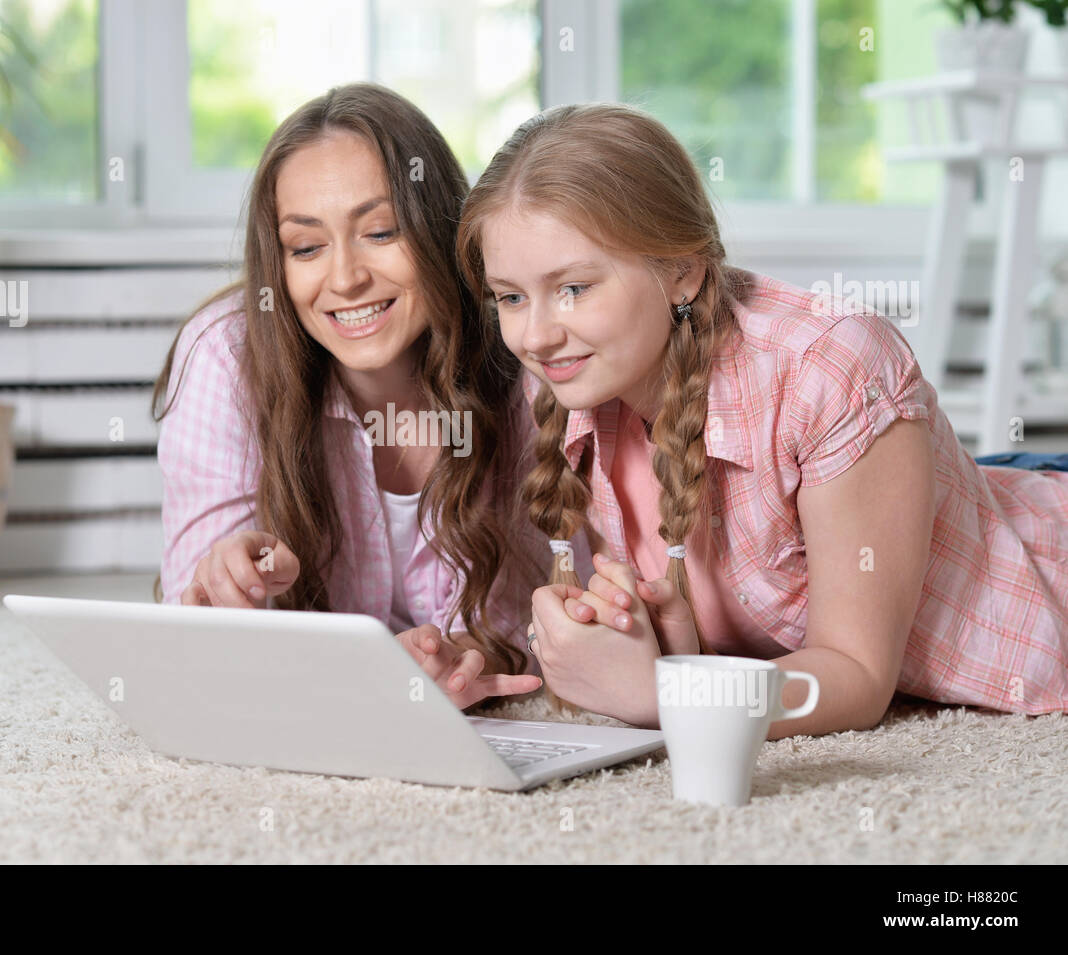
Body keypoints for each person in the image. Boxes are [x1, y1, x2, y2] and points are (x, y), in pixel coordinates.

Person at [455, 102, 1068, 736]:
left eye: (574, 288)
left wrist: (669, 697)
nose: (535, 335)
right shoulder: (571, 383)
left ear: (681, 273)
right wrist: (662, 643)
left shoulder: (831, 366)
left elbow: (856, 675)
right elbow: (742, 644)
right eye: (511, 297)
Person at [152, 83, 567, 710]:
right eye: (307, 247)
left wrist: (465, 656)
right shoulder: (227, 353)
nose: (345, 279)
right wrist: (228, 580)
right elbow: (192, 632)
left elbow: (578, 591)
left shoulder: (524, 351)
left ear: (439, 229)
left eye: (380, 232)